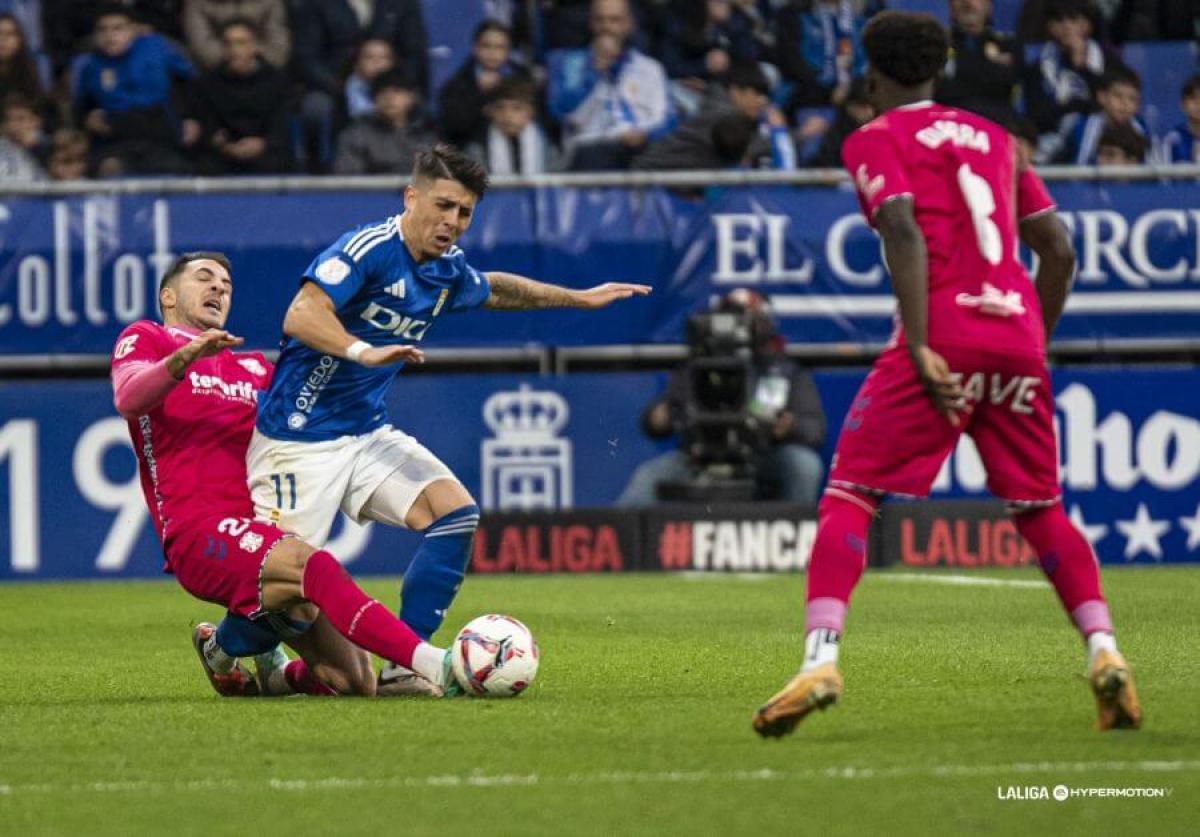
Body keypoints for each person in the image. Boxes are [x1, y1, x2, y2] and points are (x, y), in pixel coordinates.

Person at [752, 11, 1141, 738]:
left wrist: (926, 344)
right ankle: (1105, 650)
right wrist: (1032, 344)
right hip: (1017, 337)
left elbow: (900, 226)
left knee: (850, 494)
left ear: (871, 72)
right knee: (1040, 507)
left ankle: (819, 659)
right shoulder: (999, 140)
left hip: (944, 332)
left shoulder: (873, 135)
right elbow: (1056, 251)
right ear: (942, 67)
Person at [249, 143, 649, 693]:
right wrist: (363, 350)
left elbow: (501, 290)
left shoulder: (446, 271)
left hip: (364, 433)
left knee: (456, 515)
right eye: (442, 206)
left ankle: (402, 667)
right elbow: (302, 313)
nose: (452, 222)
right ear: (411, 197)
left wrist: (579, 299)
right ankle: (227, 647)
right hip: (295, 442)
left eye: (463, 213)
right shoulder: (368, 249)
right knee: (280, 594)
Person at [110, 251, 460, 699]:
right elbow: (128, 397)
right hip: (200, 533)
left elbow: (309, 418)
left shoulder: (255, 368)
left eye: (226, 284)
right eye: (204, 278)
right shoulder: (148, 339)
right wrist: (185, 358)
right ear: (168, 295)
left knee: (355, 681)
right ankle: (433, 663)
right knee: (310, 566)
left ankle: (248, 663)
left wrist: (365, 354)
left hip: (266, 524)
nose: (219, 287)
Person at [616, 290, 826, 507]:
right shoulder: (696, 366)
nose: (738, 323)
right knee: (648, 476)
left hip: (761, 454)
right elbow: (658, 419)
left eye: (748, 316)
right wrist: (657, 418)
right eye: (731, 313)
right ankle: (620, 540)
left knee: (803, 464)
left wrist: (790, 427)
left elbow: (815, 428)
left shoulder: (783, 369)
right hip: (699, 457)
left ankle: (798, 537)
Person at [547, 0, 672, 170]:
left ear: (628, 24)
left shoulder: (650, 68)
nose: (607, 26)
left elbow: (667, 118)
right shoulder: (568, 62)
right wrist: (592, 72)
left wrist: (646, 135)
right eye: (600, 20)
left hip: (642, 148)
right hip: (591, 147)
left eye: (615, 20)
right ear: (591, 23)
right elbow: (559, 112)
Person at [72, 5, 196, 176]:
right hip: (116, 137)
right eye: (103, 30)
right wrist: (88, 117)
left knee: (177, 171)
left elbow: (190, 83)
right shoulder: (90, 65)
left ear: (133, 30)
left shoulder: (156, 47)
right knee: (109, 168)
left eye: (118, 28)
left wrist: (191, 117)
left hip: (158, 130)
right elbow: (82, 107)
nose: (110, 36)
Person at [634, 61, 796, 171]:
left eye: (765, 95)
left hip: (677, 187)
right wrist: (779, 132)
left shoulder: (734, 114)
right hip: (649, 183)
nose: (762, 101)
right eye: (755, 94)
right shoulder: (720, 116)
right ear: (735, 92)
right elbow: (749, 150)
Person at [188, 18, 292, 174]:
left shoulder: (277, 82)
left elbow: (280, 125)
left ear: (254, 46)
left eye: (241, 43)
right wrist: (226, 146)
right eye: (228, 43)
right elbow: (209, 126)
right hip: (224, 155)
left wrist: (263, 144)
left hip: (266, 153)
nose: (234, 50)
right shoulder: (208, 83)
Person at [437, 20, 533, 150]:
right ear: (475, 48)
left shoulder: (524, 78)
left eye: (500, 47)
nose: (492, 53)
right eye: (486, 46)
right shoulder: (455, 85)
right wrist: (479, 94)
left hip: (521, 152)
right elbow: (453, 128)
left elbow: (537, 120)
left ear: (508, 50)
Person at [332, 69, 433, 175]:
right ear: (373, 99)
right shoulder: (355, 136)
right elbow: (349, 182)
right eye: (381, 92)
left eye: (397, 91)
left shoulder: (427, 136)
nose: (388, 97)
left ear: (411, 98)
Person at [935, 0, 1020, 126]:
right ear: (950, 6)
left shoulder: (1008, 45)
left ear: (989, 7)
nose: (968, 3)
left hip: (999, 126)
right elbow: (939, 90)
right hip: (949, 126)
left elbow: (1008, 85)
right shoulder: (937, 45)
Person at [1042, 66, 1148, 165]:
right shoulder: (1081, 127)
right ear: (1101, 97)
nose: (1125, 104)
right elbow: (1079, 171)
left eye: (1132, 99)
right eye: (1118, 96)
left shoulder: (1140, 128)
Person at [466, 76, 561, 174]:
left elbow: (556, 185)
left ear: (531, 112)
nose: (508, 115)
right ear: (490, 111)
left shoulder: (547, 148)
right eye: (500, 108)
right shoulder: (477, 148)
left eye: (517, 108)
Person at [182, 0, 291, 70]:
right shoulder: (197, 3)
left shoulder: (272, 2)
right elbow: (202, 47)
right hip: (213, 73)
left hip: (264, 71)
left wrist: (249, 59)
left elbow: (278, 48)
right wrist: (235, 57)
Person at [343, 37, 394, 121]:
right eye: (369, 57)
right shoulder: (354, 85)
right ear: (357, 64)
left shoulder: (401, 86)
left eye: (384, 57)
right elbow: (362, 115)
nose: (377, 62)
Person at [1162, 74, 1200, 163]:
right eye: (1193, 98)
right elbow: (1164, 175)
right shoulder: (1172, 140)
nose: (1199, 104)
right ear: (1183, 105)